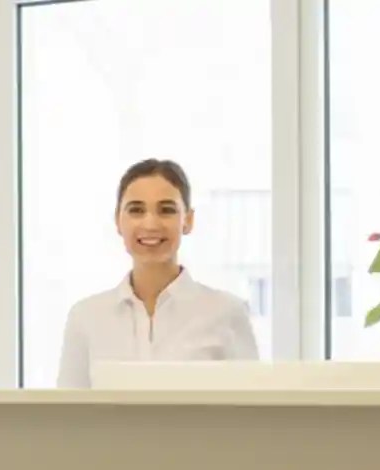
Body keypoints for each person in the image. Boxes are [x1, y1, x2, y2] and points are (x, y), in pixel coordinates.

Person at [56, 158, 259, 389]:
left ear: (188, 221)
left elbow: (249, 412)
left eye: (166, 210)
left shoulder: (227, 312)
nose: (150, 224)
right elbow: (69, 414)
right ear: (117, 220)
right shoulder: (86, 317)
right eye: (136, 210)